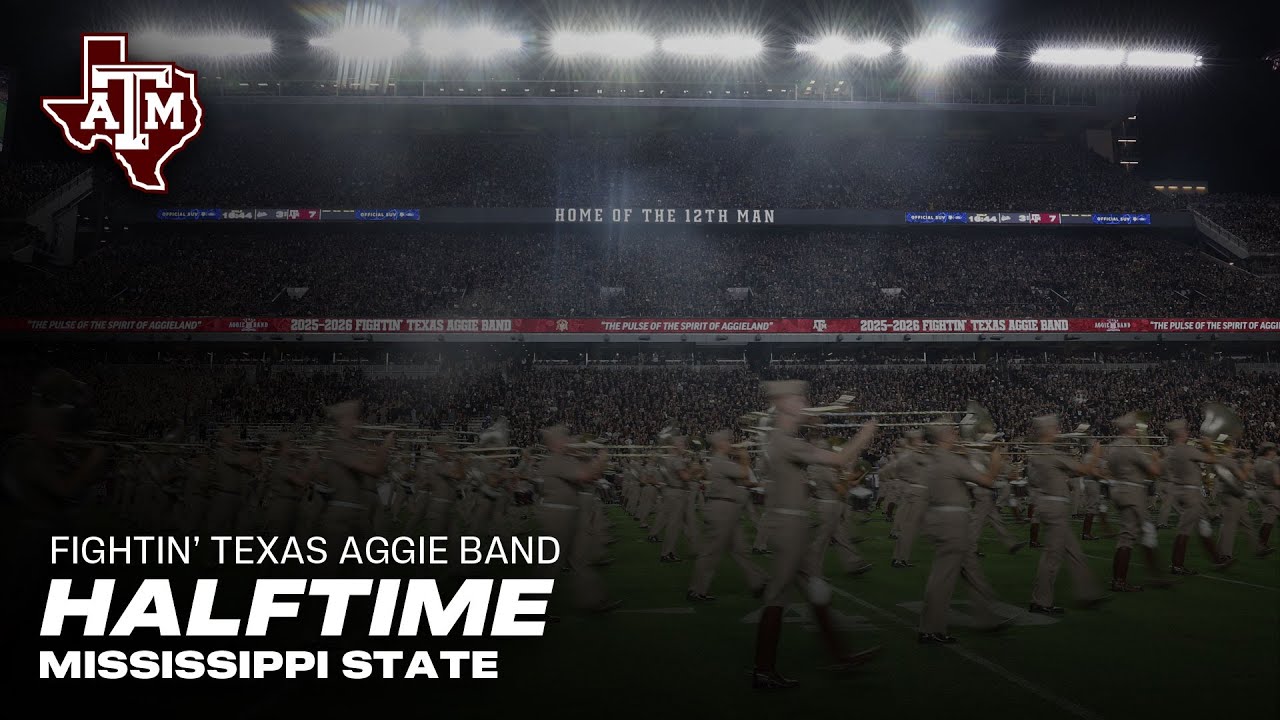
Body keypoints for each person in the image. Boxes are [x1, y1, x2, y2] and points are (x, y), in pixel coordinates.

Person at [752, 380, 880, 690]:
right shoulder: (784, 441)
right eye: (797, 397)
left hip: (792, 525)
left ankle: (840, 654)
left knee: (816, 590)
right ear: (782, 403)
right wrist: (865, 434)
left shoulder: (779, 439)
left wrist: (812, 422)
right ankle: (763, 670)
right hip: (790, 528)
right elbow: (838, 460)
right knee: (779, 596)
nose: (805, 401)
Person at [917, 418, 1016, 645]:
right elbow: (988, 481)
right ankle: (930, 629)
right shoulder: (951, 460)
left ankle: (987, 617)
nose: (956, 433)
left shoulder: (934, 458)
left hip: (943, 521)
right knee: (943, 578)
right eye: (952, 431)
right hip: (952, 524)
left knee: (971, 570)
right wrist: (996, 459)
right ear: (942, 436)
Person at [1025, 416, 1108, 615]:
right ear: (1046, 431)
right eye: (1054, 428)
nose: (1058, 430)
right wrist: (1095, 453)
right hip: (1055, 508)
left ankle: (1088, 593)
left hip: (1048, 505)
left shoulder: (1036, 454)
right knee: (1051, 557)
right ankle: (1041, 601)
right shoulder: (1051, 454)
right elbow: (1085, 470)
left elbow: (1059, 475)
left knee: (1075, 553)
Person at [534, 425, 619, 613]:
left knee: (580, 559)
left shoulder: (565, 459)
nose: (569, 440)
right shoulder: (557, 460)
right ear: (555, 443)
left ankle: (591, 600)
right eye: (565, 438)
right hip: (556, 516)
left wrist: (596, 460)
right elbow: (587, 475)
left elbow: (591, 474)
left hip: (569, 513)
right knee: (549, 566)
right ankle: (529, 609)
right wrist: (601, 458)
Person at [687, 430, 768, 600]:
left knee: (741, 550)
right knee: (711, 552)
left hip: (728, 510)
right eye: (728, 441)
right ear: (720, 444)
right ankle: (697, 590)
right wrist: (744, 456)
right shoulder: (720, 460)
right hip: (721, 510)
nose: (731, 443)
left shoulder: (723, 461)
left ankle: (758, 582)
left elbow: (744, 481)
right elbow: (744, 473)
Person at [1103, 413, 1167, 592]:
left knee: (1139, 532)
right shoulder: (1132, 447)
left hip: (1119, 491)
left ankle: (1154, 575)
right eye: (1135, 429)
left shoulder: (1112, 447)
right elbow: (1154, 471)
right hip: (1133, 493)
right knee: (1130, 536)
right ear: (1131, 429)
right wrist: (1156, 458)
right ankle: (1122, 581)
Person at [1163, 420, 1230, 574]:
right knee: (1184, 530)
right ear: (1180, 434)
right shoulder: (1186, 449)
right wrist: (1207, 446)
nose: (1188, 433)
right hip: (1191, 493)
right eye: (1186, 431)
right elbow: (1213, 459)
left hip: (1181, 491)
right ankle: (1177, 565)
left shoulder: (1171, 450)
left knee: (1203, 526)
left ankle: (1217, 559)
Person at [886, 430, 929, 568]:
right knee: (909, 529)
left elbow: (895, 471)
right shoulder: (915, 455)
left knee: (906, 527)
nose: (922, 442)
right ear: (914, 441)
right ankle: (900, 559)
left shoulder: (903, 455)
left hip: (909, 490)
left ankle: (898, 557)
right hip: (917, 492)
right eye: (920, 440)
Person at [1253, 443, 1279, 556]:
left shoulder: (1258, 461)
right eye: (1274, 451)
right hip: (1270, 492)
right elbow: (1277, 482)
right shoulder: (1271, 465)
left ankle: (1260, 544)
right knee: (1269, 520)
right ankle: (1262, 546)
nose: (1275, 453)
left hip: (1260, 491)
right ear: (1269, 451)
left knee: (1266, 519)